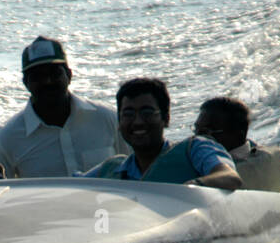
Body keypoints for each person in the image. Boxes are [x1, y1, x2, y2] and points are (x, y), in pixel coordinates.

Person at [0, 37, 127, 178]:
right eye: (38, 76)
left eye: (54, 73)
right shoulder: (8, 138)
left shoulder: (108, 119)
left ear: (69, 75)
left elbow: (136, 173)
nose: (47, 81)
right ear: (25, 83)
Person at [84, 78, 243, 188]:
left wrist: (193, 187)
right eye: (128, 114)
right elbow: (68, 188)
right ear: (119, 122)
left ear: (166, 118)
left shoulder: (194, 149)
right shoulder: (109, 170)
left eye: (147, 113)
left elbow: (229, 177)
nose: (138, 122)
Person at [194, 97, 280, 192]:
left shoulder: (219, 176)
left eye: (206, 131)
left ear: (238, 133)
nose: (198, 138)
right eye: (196, 130)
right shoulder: (274, 156)